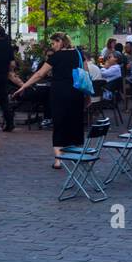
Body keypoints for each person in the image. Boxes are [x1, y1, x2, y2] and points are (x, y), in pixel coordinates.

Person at [13, 33, 86, 169]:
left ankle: (59, 160)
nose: (53, 46)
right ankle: (76, 155)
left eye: (53, 43)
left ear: (60, 42)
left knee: (58, 123)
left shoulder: (55, 57)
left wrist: (23, 86)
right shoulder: (79, 54)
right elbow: (85, 72)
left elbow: (40, 74)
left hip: (59, 93)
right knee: (75, 122)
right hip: (76, 92)